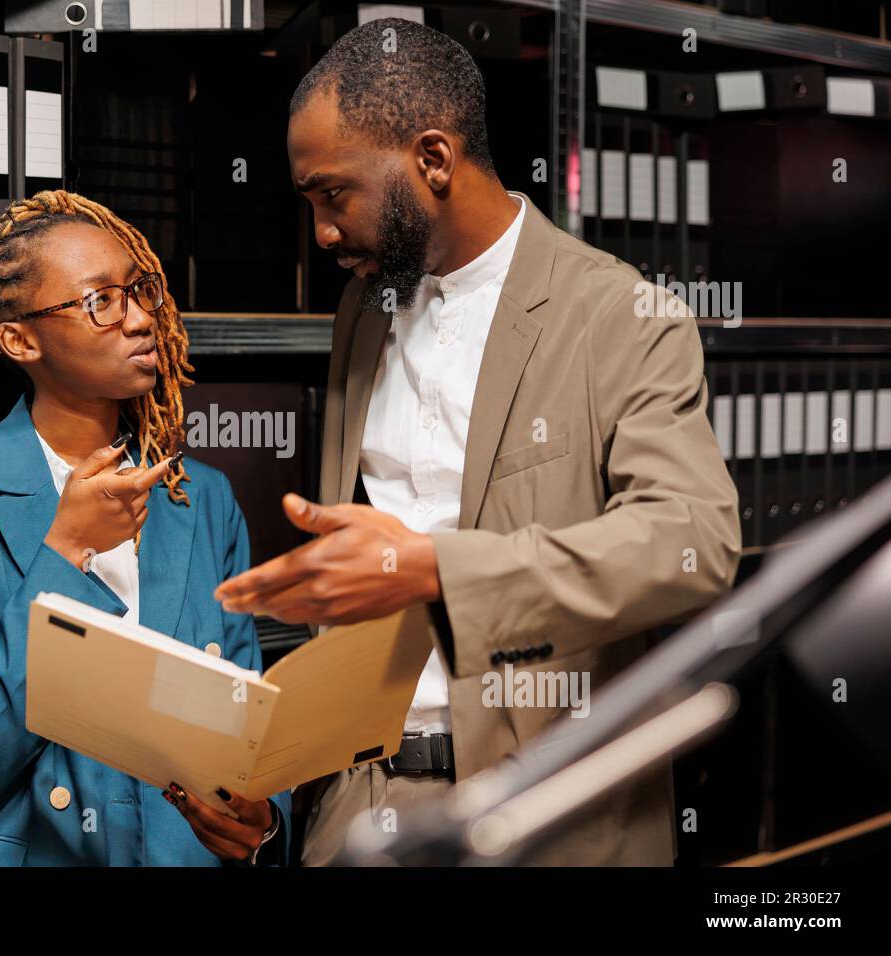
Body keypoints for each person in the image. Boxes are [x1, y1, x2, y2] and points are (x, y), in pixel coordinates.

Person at [214, 19, 741, 865]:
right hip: (360, 805)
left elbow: (692, 541)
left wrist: (432, 568)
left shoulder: (619, 316)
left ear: (432, 157)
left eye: (332, 194)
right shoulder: (366, 309)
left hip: (548, 815)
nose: (319, 232)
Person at [0, 190, 290, 866]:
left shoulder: (205, 499)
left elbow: (248, 726)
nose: (140, 320)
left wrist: (263, 821)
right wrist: (66, 549)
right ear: (22, 340)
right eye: (101, 301)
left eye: (140, 293)